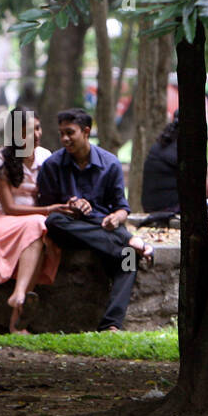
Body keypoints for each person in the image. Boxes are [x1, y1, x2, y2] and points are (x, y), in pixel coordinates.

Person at [36, 108, 153, 331]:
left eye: (70, 133)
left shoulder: (110, 163)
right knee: (54, 223)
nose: (65, 139)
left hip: (104, 230)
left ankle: (111, 325)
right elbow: (45, 211)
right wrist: (70, 206)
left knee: (128, 259)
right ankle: (127, 241)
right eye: (61, 133)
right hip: (72, 231)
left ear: (86, 131)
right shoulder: (53, 165)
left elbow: (121, 209)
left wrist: (115, 219)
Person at [0, 108, 71, 333]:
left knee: (40, 235)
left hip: (35, 225)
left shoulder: (45, 157)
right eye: (29, 131)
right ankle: (20, 297)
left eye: (38, 128)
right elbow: (9, 208)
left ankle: (18, 311)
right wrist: (48, 210)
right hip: (3, 221)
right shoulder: (1, 160)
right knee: (37, 225)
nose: (37, 134)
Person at [140, 112, 208, 215]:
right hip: (171, 207)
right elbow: (203, 188)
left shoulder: (161, 144)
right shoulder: (186, 149)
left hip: (150, 206)